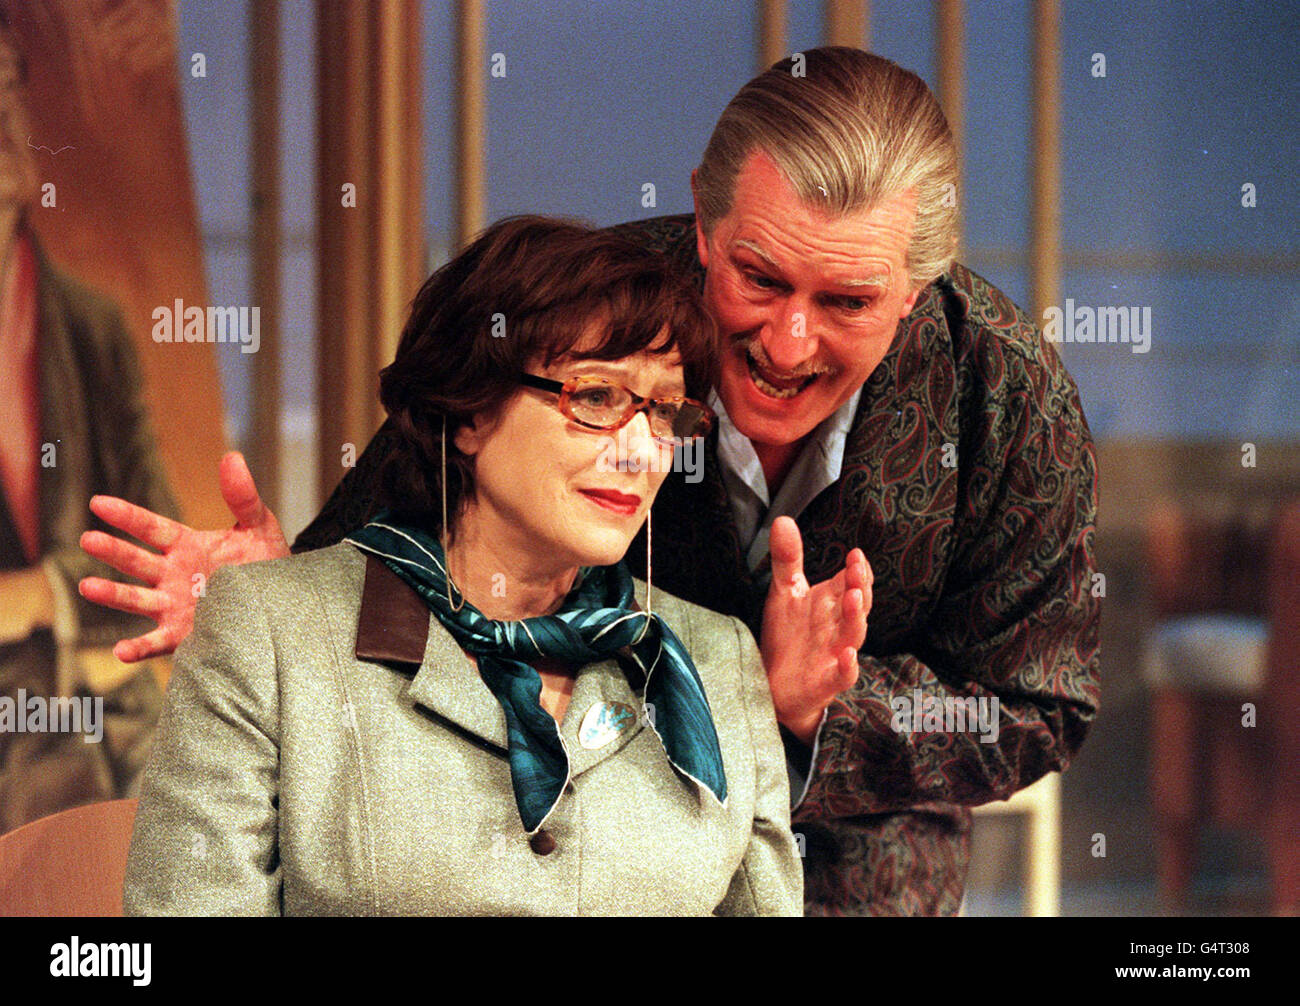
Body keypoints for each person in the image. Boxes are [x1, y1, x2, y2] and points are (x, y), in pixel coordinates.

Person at [92, 48, 1099, 915]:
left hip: (868, 866)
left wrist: (792, 712)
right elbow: (421, 502)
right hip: (529, 827)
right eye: (758, 279)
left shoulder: (1007, 399)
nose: (788, 341)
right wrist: (294, 591)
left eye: (845, 300)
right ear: (704, 229)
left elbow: (1040, 702)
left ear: (917, 294)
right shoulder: (598, 318)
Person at [123, 216, 811, 915]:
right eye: (597, 397)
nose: (641, 451)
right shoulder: (270, 635)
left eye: (664, 412)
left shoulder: (719, 659)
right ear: (471, 411)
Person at [0, 16, 177, 832]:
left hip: (107, 753)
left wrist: (42, 595)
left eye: (9, 91)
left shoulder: (91, 326)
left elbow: (158, 560)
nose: (5, 122)